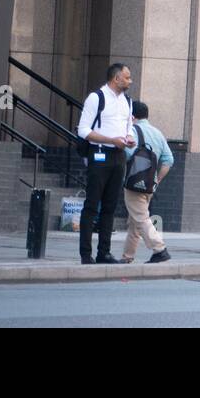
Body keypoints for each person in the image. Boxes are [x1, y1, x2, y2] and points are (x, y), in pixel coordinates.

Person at [76, 63, 136, 265]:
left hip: (119, 155)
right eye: (127, 77)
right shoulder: (96, 98)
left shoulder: (127, 101)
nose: (130, 81)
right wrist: (111, 140)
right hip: (99, 153)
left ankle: (104, 252)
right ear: (116, 78)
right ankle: (86, 253)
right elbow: (83, 130)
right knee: (92, 204)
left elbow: (128, 126)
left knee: (110, 205)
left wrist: (128, 137)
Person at [120, 101, 174, 264]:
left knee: (141, 218)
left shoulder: (132, 132)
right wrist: (157, 180)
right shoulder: (157, 133)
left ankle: (160, 249)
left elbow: (128, 154)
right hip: (150, 184)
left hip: (133, 183)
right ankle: (127, 256)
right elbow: (169, 159)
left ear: (132, 116)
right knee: (134, 221)